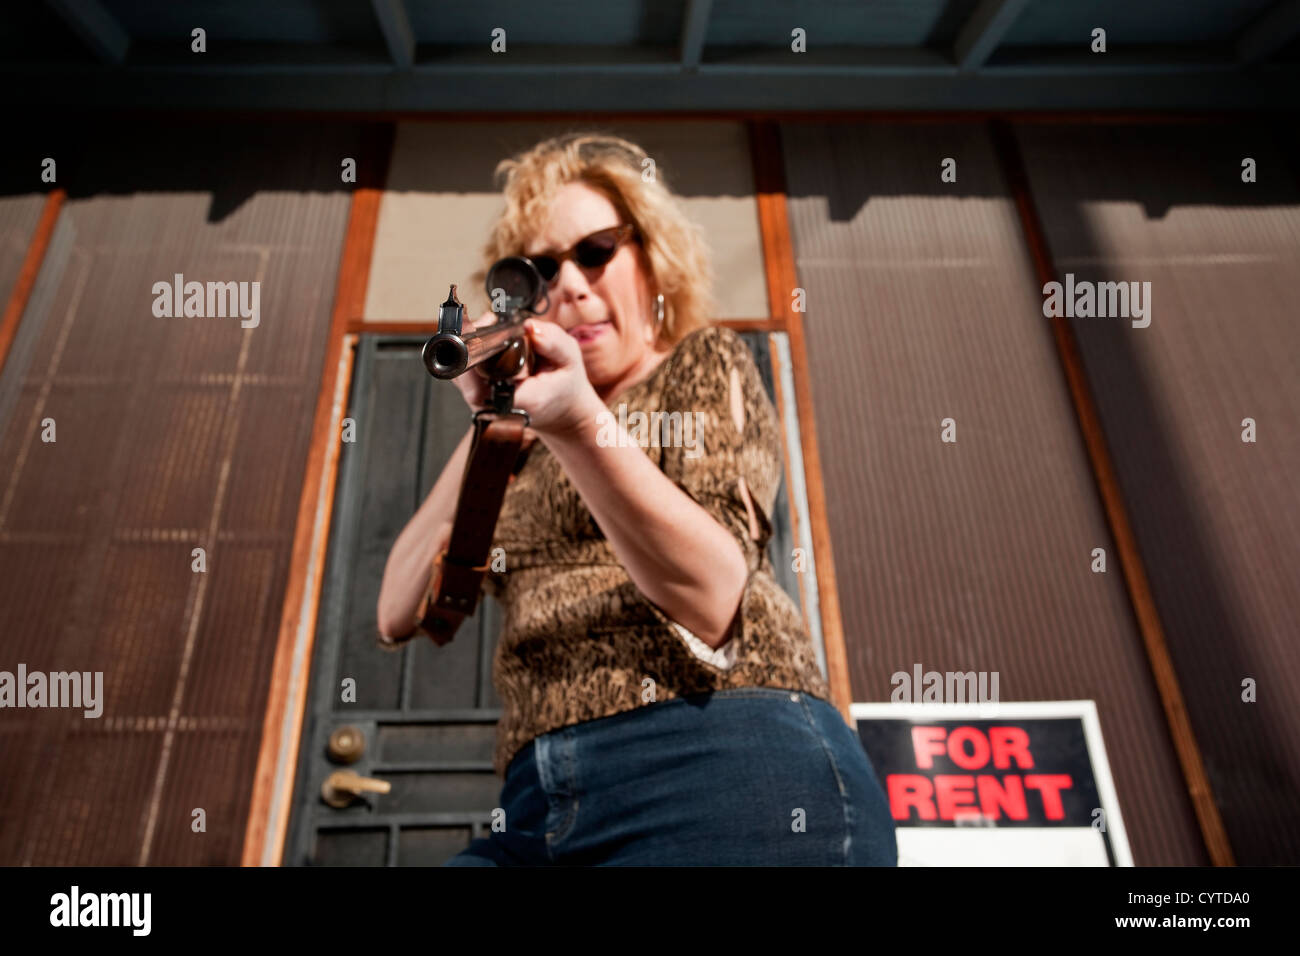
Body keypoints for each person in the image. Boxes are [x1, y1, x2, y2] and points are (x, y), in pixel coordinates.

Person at [376, 132, 897, 866]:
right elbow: (398, 609)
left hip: (718, 756)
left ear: (651, 258)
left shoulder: (699, 361)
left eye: (595, 251)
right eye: (539, 270)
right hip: (536, 797)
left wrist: (580, 421)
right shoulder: (517, 437)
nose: (572, 285)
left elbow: (715, 595)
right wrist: (490, 424)